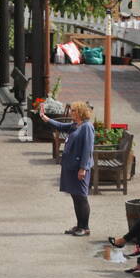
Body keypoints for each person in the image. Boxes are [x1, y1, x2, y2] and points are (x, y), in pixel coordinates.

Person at [39, 100, 95, 235]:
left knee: (81, 197)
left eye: (74, 110)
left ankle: (85, 227)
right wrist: (45, 118)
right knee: (75, 196)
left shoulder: (87, 127)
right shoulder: (76, 125)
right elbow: (61, 126)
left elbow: (87, 149)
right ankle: (79, 225)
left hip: (78, 168)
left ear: (81, 112)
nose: (71, 112)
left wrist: (83, 168)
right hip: (70, 166)